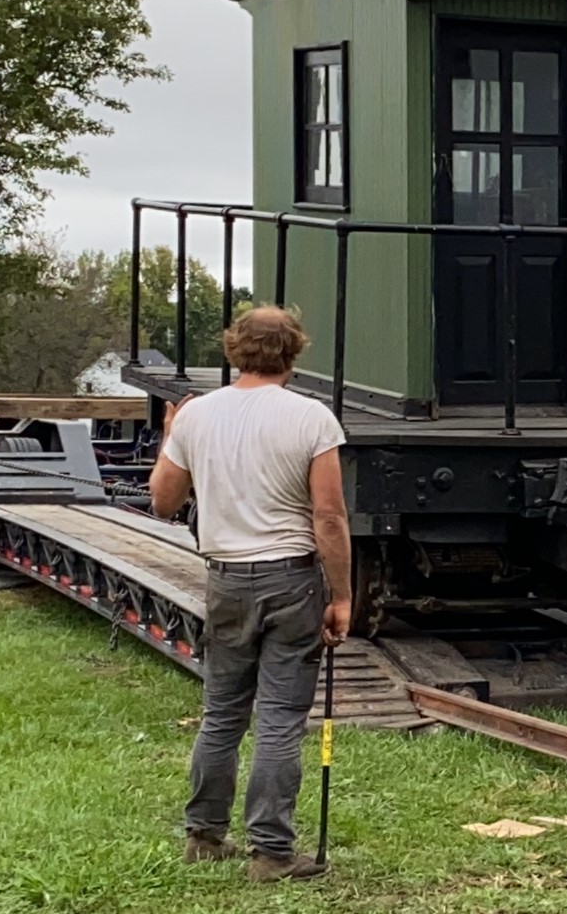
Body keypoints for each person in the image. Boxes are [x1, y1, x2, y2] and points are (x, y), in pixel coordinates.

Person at [150, 305, 352, 883]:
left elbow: (163, 503)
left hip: (226, 579)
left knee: (221, 715)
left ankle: (205, 837)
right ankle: (270, 853)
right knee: (281, 720)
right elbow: (330, 518)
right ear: (294, 352)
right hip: (290, 578)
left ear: (234, 348)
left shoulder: (196, 416)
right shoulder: (313, 419)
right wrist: (341, 595)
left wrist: (171, 436)